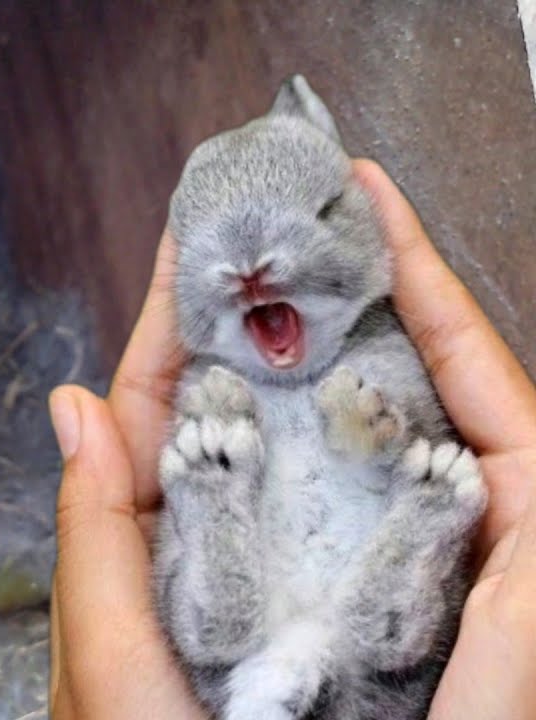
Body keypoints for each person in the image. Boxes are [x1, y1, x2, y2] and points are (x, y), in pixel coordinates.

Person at [48, 158, 536, 718]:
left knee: (238, 585)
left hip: (288, 629)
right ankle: (404, 532)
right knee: (374, 646)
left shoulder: (379, 345)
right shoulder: (211, 379)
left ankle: (231, 527)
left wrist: (382, 433)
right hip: (332, 641)